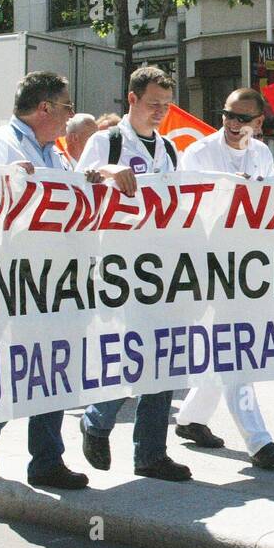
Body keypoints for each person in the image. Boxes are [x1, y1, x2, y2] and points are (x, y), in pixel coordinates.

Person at [0, 73, 89, 489]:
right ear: (45, 109)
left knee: (54, 367)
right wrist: (0, 178)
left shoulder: (60, 156)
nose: (70, 117)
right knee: (11, 367)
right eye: (67, 107)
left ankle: (47, 461)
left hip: (56, 279)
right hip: (9, 281)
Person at [75, 67, 191, 482]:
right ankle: (97, 419)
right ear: (132, 99)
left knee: (162, 356)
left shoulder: (169, 148)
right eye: (153, 103)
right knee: (127, 354)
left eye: (166, 104)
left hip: (158, 267)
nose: (160, 111)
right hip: (116, 266)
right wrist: (106, 172)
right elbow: (75, 186)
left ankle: (151, 453)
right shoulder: (108, 141)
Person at [173, 88, 274, 469]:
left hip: (248, 263)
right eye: (227, 115)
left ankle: (191, 418)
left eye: (241, 118)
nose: (232, 123)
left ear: (258, 122)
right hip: (210, 262)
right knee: (235, 346)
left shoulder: (263, 153)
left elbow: (268, 205)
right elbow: (184, 205)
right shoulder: (200, 152)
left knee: (229, 346)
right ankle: (259, 441)